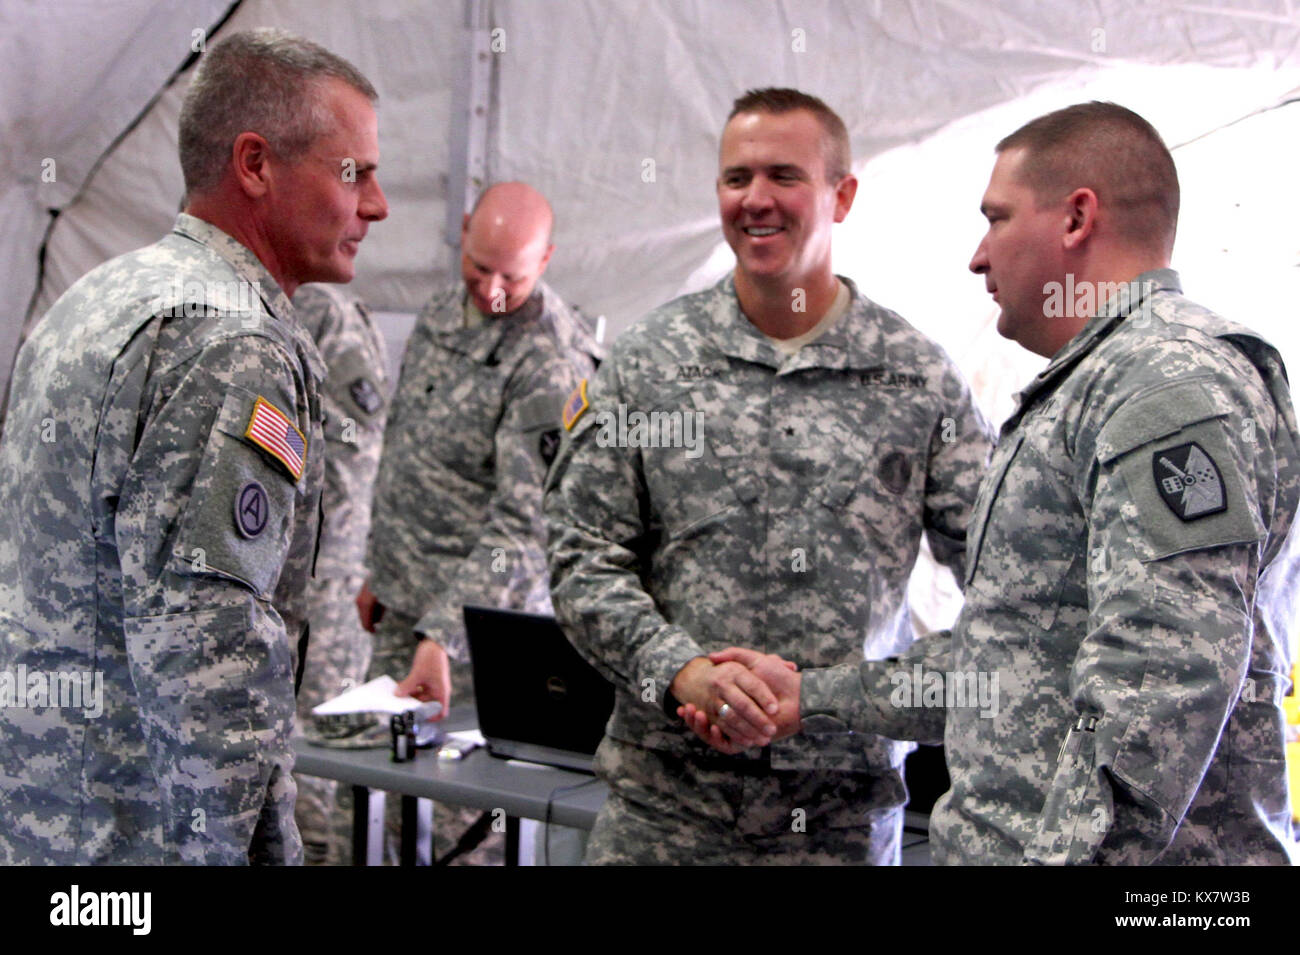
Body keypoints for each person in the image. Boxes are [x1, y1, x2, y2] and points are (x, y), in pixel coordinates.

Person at [695, 101, 1300, 864]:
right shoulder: (1098, 387)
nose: (978, 257)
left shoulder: (1165, 387)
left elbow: (1160, 683)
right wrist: (810, 696)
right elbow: (1004, 668)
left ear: (1077, 218)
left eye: (997, 218)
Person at [544, 88, 992, 864]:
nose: (755, 200)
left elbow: (1009, 577)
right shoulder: (650, 362)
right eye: (735, 178)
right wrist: (678, 668)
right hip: (666, 812)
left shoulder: (916, 377)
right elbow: (581, 556)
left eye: (784, 175)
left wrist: (869, 696)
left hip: (839, 818)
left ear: (841, 194)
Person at [0, 28, 387, 865]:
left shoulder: (96, 296)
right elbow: (211, 647)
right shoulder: (235, 343)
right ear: (256, 164)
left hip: (44, 812)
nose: (378, 204)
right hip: (148, 833)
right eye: (353, 172)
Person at [360, 181, 602, 864]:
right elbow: (406, 443)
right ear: (462, 232)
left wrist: (441, 635)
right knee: (382, 814)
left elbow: (522, 534)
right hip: (402, 611)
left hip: (477, 639)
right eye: (478, 265)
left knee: (458, 833)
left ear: (547, 259)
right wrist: (379, 569)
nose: (492, 289)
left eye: (512, 275)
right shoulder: (444, 312)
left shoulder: (551, 364)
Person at [291, 283, 389, 865]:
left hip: (322, 582)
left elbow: (354, 461)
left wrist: (332, 568)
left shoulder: (321, 309)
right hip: (293, 582)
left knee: (314, 756)